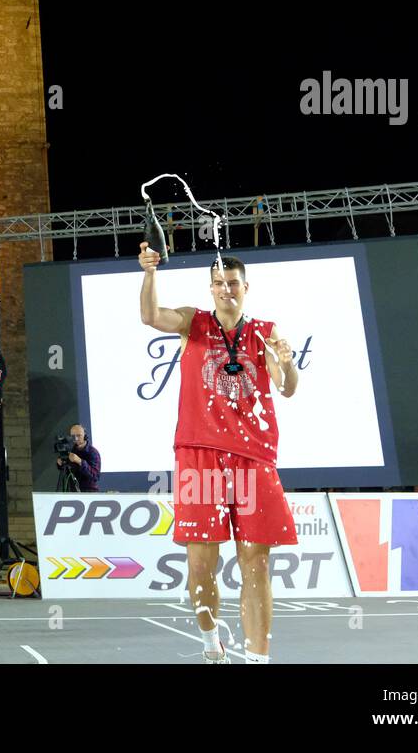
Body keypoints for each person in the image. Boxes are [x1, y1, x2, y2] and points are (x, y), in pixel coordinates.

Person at [138, 242, 299, 664]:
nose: (226, 289)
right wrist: (151, 273)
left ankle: (259, 659)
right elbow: (151, 316)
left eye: (233, 283)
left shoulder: (266, 330)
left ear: (246, 287)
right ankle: (212, 643)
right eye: (219, 283)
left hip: (253, 458)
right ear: (210, 289)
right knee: (199, 567)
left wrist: (290, 363)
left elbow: (286, 386)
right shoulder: (194, 322)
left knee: (256, 564)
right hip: (200, 454)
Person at [56, 424, 101, 492]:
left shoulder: (93, 452)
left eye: (79, 435)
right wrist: (60, 463)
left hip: (89, 493)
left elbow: (95, 476)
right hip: (72, 491)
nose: (76, 438)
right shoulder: (70, 450)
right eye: (73, 436)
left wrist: (80, 461)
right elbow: (67, 470)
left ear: (85, 435)